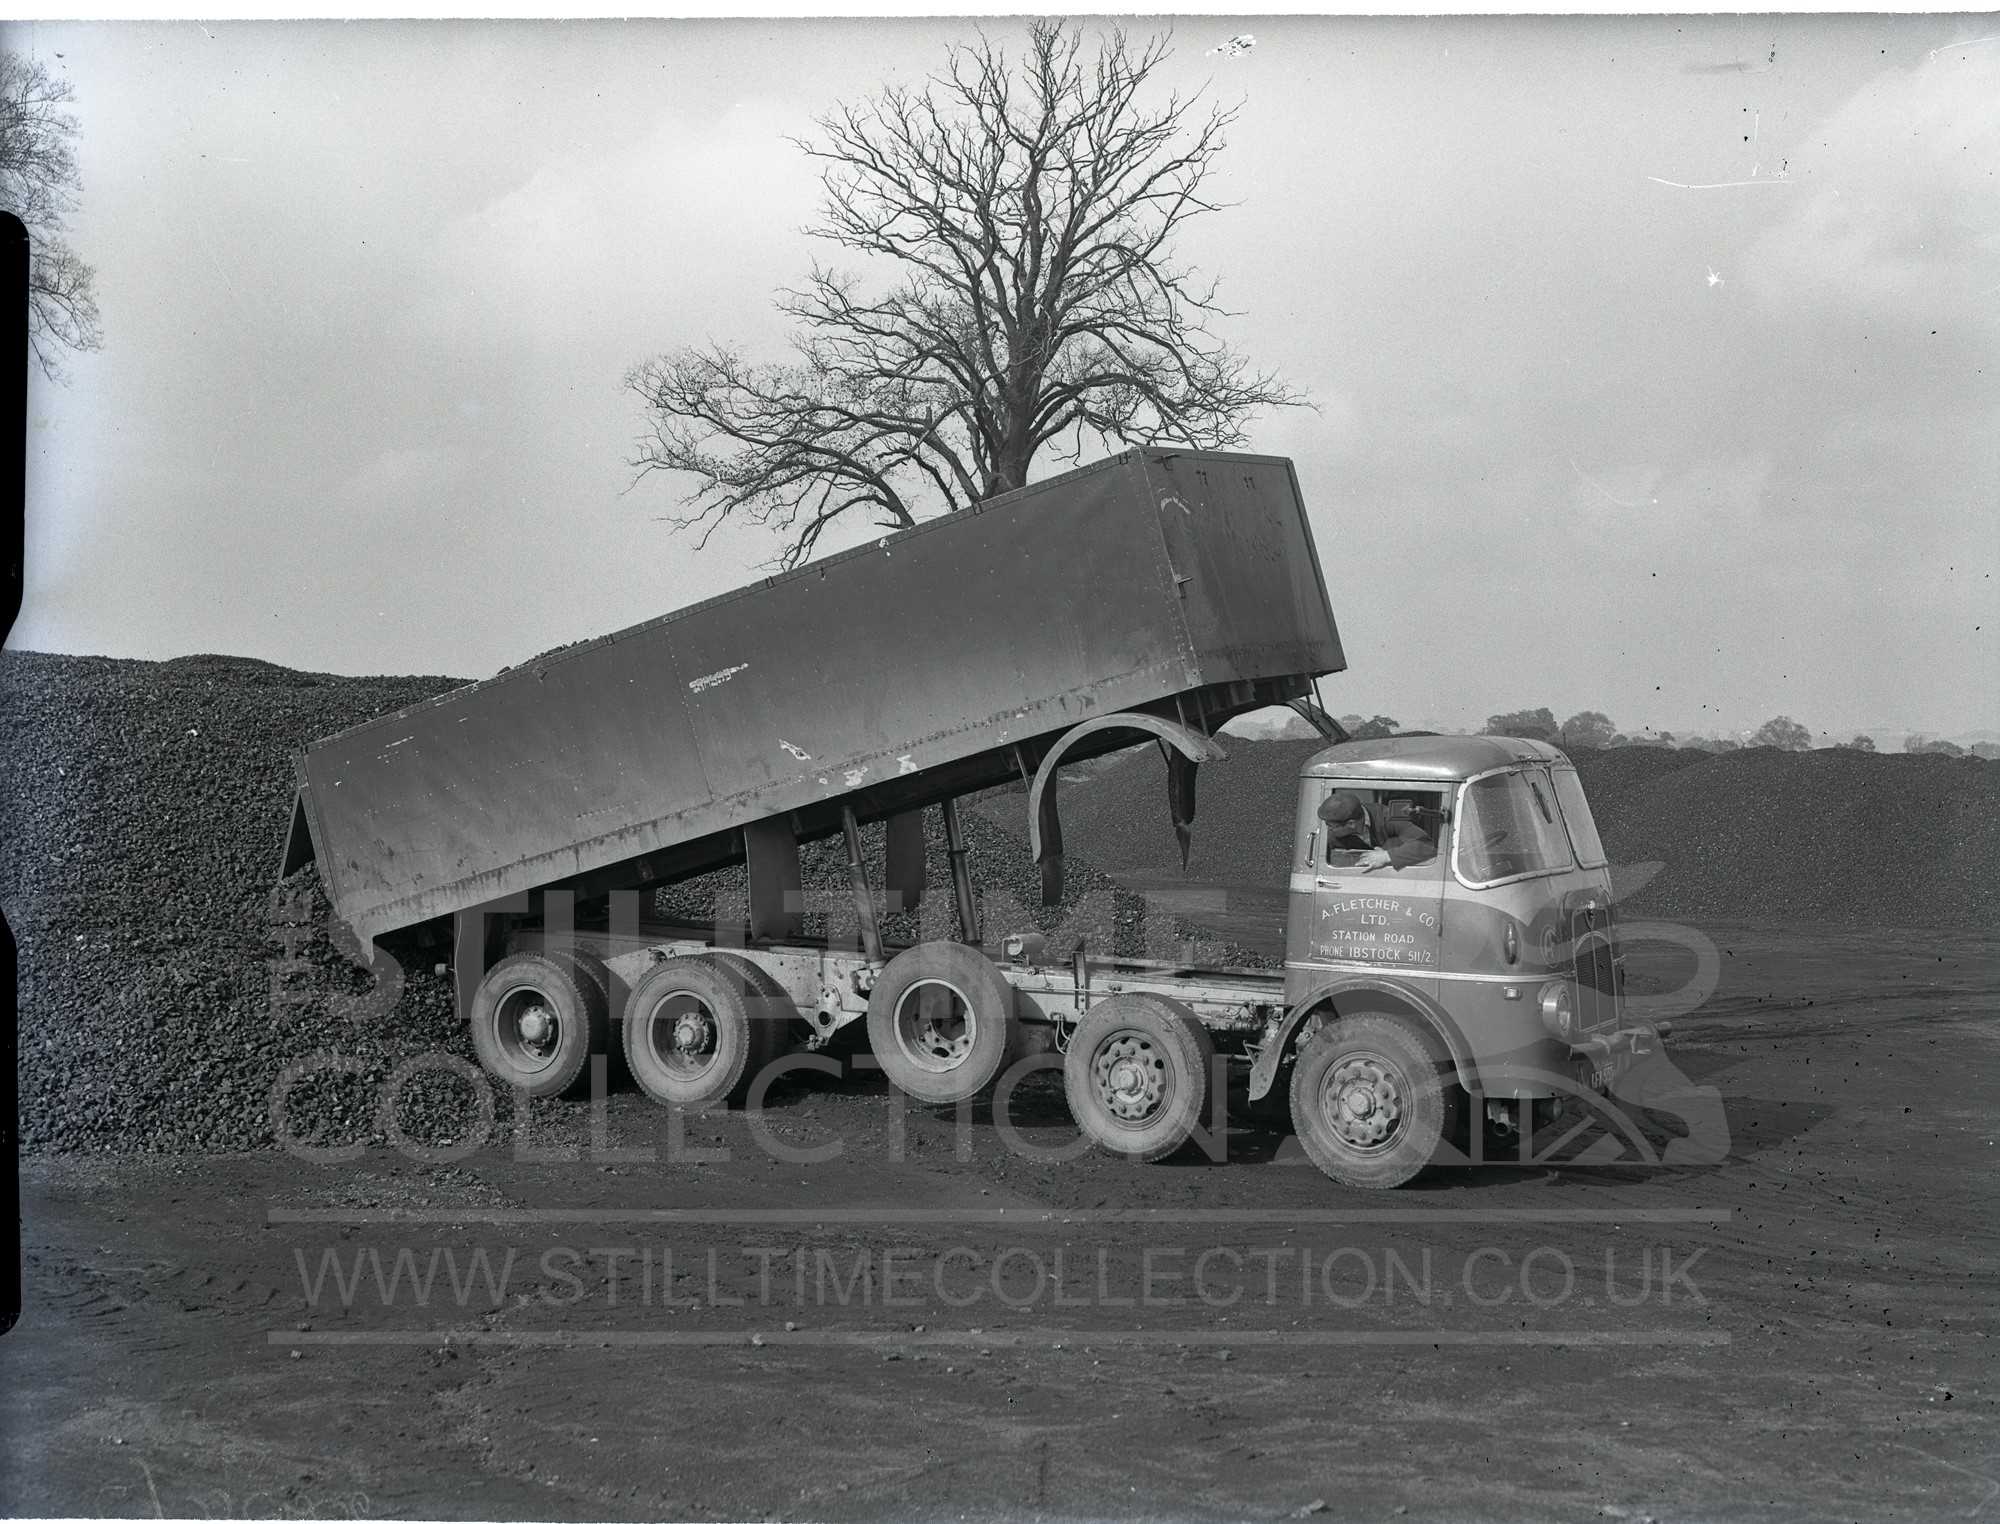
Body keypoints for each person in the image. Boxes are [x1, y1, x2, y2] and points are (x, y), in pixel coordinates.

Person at [1317, 791, 1436, 871]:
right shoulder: (1334, 832)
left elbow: (1426, 845)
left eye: (1331, 826)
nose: (1328, 830)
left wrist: (1386, 856)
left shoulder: (1388, 816)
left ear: (1351, 824)